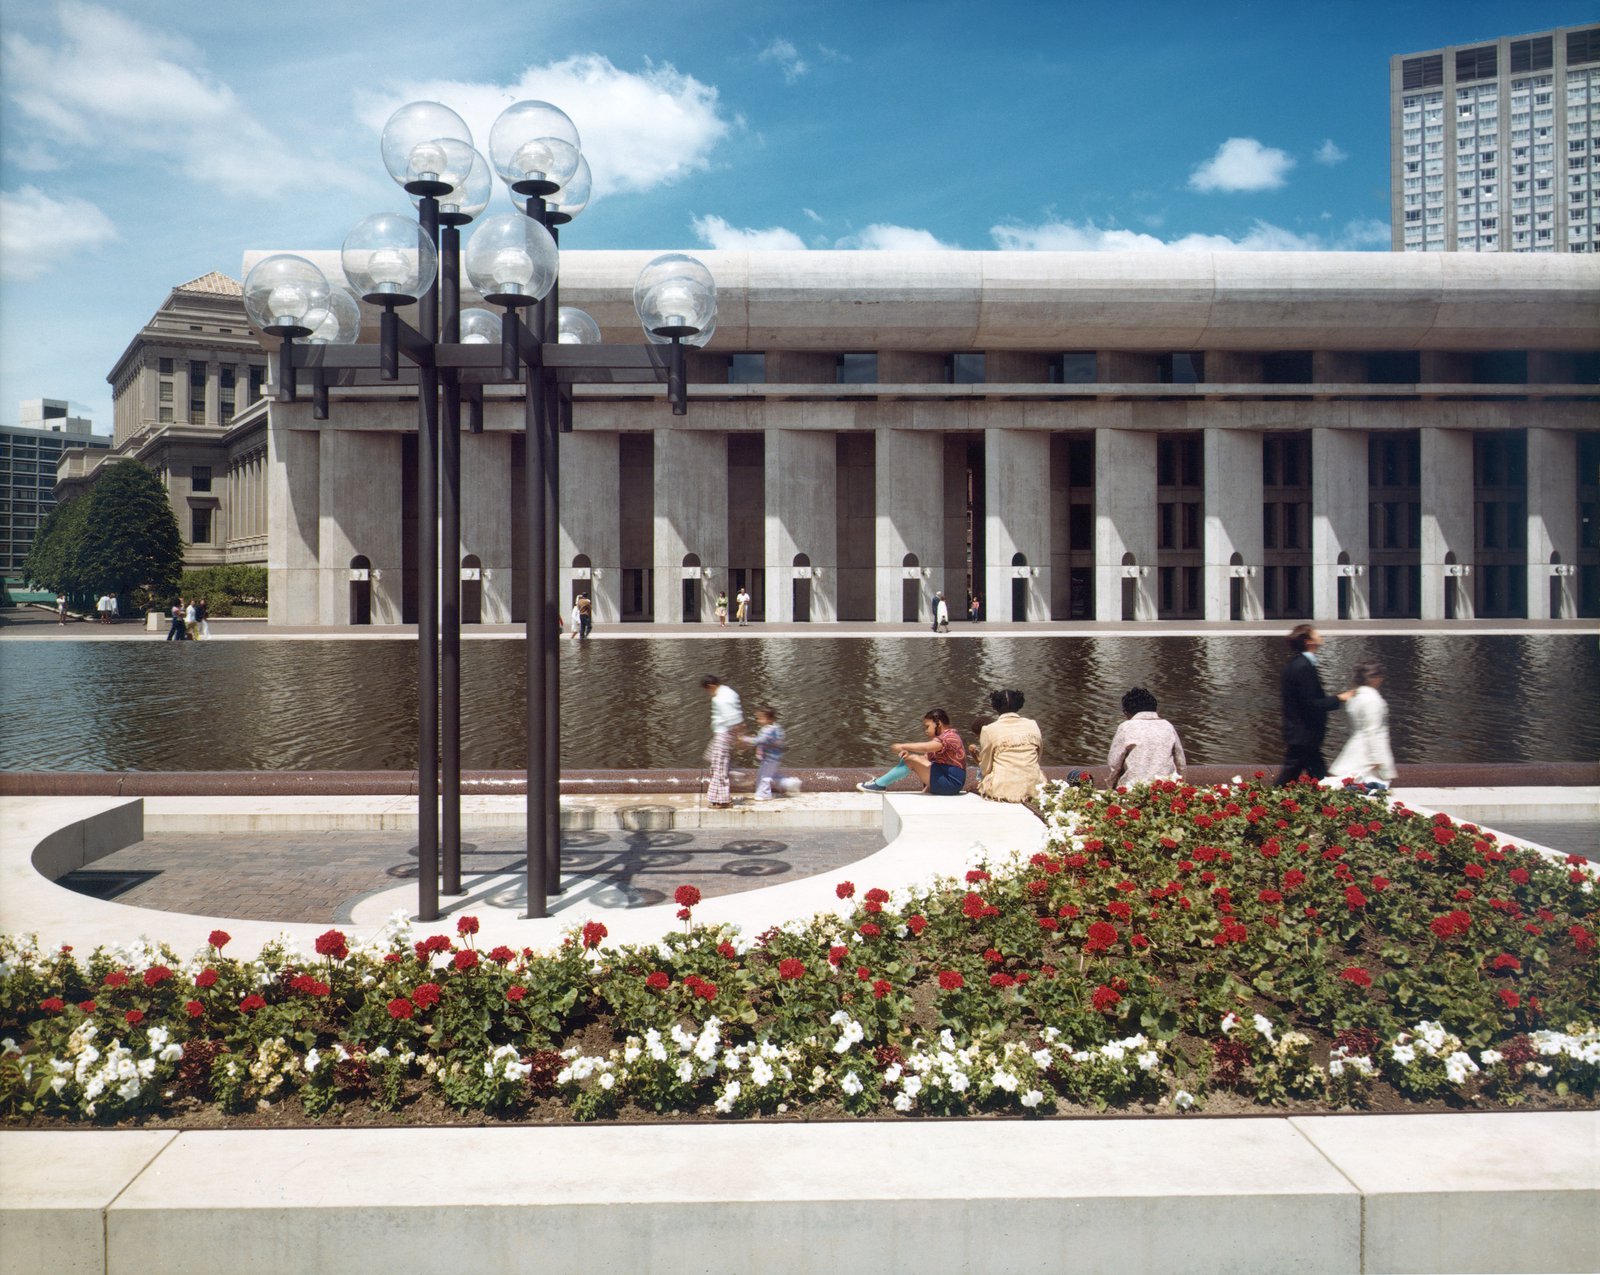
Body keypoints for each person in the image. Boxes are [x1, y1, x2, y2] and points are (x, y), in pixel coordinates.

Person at [1276, 625, 1354, 785]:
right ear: (1308, 641)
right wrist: (1340, 698)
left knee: (1314, 775)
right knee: (1293, 775)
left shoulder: (1300, 664)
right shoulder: (1303, 667)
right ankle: (1266, 805)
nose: (1320, 634)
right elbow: (1311, 703)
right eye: (1315, 633)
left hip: (1303, 734)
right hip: (1303, 734)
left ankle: (1326, 804)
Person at [857, 708, 967, 796]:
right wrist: (909, 757)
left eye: (927, 726)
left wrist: (903, 746)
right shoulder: (944, 738)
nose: (926, 731)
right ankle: (879, 784)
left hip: (950, 784)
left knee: (913, 759)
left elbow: (925, 748)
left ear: (938, 723)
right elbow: (924, 759)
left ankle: (879, 785)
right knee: (912, 759)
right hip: (948, 782)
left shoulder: (950, 737)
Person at [1327, 661, 1397, 790]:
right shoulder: (1373, 700)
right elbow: (1372, 731)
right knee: (1372, 793)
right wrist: (1378, 760)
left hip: (1354, 749)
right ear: (1375, 678)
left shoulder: (1355, 697)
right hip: (1367, 756)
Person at [1105, 687, 1187, 789]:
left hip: (1133, 788)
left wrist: (1110, 785)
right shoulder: (1167, 726)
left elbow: (1114, 764)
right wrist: (1180, 784)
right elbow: (1180, 763)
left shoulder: (1126, 727)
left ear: (1127, 712)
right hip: (1164, 790)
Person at [976, 688, 1044, 802]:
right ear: (1019, 705)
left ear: (995, 706)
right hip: (1035, 787)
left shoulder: (989, 729)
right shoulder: (1032, 724)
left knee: (976, 785)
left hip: (1002, 790)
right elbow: (1038, 757)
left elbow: (986, 768)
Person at [700, 674, 744, 808]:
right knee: (714, 760)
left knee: (719, 768)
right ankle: (718, 795)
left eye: (708, 690)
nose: (708, 693)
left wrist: (739, 736)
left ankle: (723, 800)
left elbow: (733, 718)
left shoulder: (719, 699)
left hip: (723, 734)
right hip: (724, 734)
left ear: (711, 686)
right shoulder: (729, 691)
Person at [743, 704, 787, 800]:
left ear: (770, 719)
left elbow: (759, 740)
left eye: (761, 718)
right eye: (758, 718)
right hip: (773, 757)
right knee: (768, 775)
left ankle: (764, 794)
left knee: (765, 776)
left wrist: (744, 739)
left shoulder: (769, 731)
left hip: (770, 758)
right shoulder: (775, 728)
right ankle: (788, 784)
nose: (758, 721)